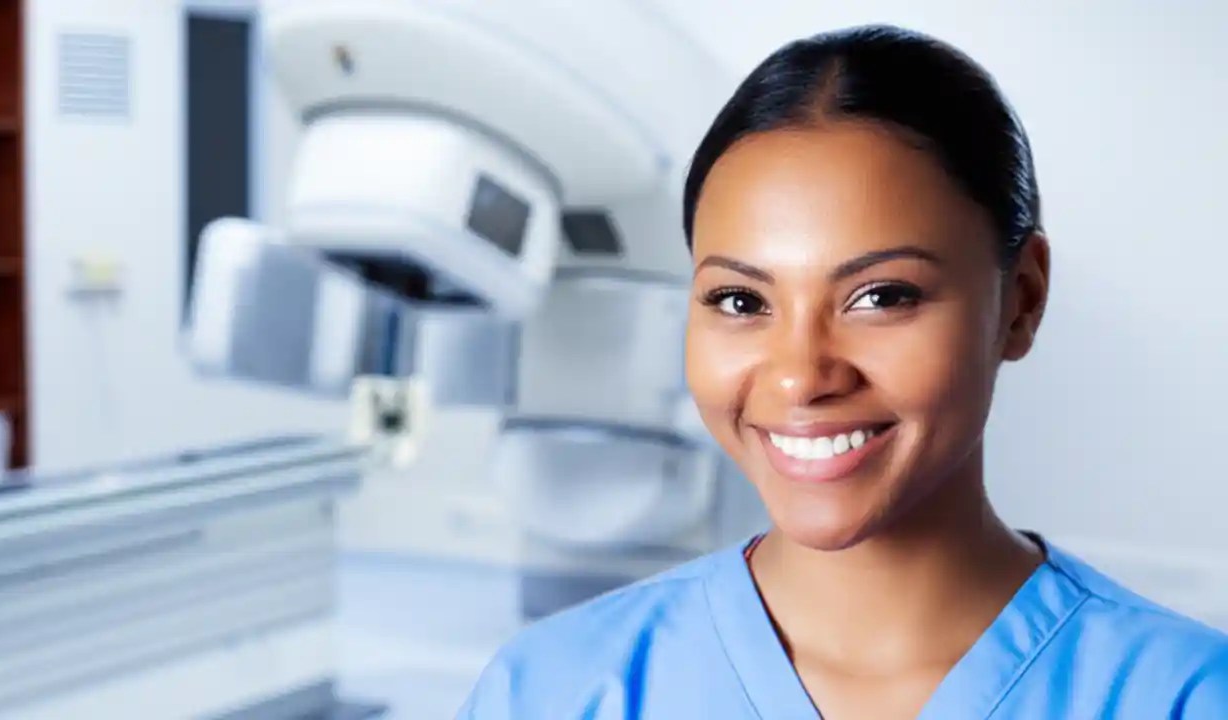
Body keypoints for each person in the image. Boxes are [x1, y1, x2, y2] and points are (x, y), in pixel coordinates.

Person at [455, 24, 1228, 719]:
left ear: (1020, 301)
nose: (800, 376)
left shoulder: (1183, 696)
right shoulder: (553, 691)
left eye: (880, 296)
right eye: (739, 299)